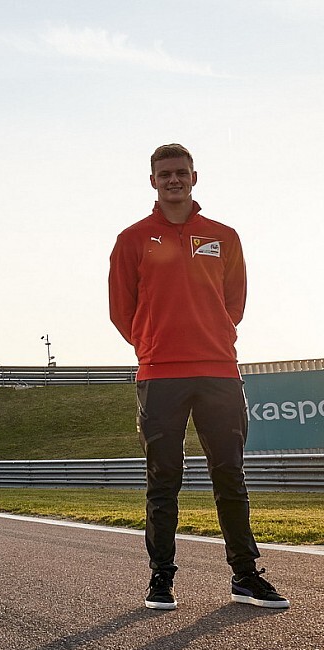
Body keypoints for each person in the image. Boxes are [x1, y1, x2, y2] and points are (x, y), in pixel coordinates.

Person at [109, 143, 289, 611]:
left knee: (230, 475)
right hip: (160, 375)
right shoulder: (133, 238)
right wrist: (153, 346)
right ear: (152, 181)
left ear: (195, 177)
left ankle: (246, 577)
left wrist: (209, 339)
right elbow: (120, 309)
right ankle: (161, 578)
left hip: (218, 373)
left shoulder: (223, 236)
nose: (174, 180)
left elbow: (235, 303)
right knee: (163, 478)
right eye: (165, 173)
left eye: (181, 173)